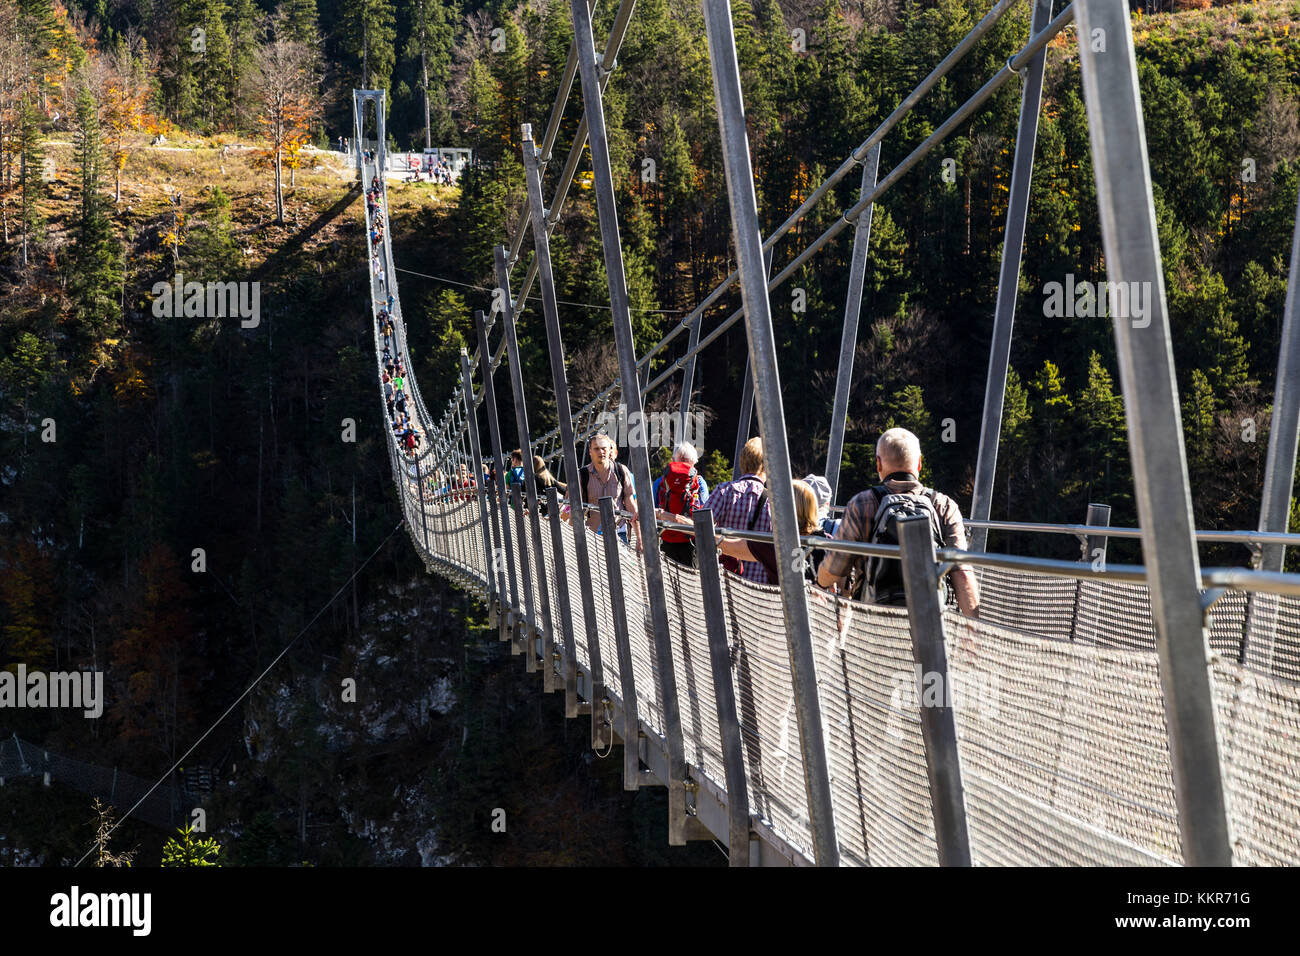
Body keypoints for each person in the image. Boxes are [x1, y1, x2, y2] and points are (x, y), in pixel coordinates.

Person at [816, 427, 980, 617]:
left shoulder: (861, 504)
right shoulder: (944, 506)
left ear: (878, 464)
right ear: (919, 463)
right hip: (931, 620)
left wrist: (819, 583)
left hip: (874, 618)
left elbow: (835, 567)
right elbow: (961, 571)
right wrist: (972, 631)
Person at [719, 480, 826, 584]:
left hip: (785, 601)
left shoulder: (774, 544)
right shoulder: (824, 541)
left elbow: (728, 546)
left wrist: (705, 533)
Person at [706, 437, 771, 583]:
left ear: (742, 462)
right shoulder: (773, 503)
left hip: (723, 578)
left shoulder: (724, 491)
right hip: (757, 585)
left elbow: (702, 528)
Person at [566, 433, 639, 550]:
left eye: (604, 448)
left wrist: (640, 538)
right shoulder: (581, 475)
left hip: (619, 533)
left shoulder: (621, 471)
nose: (601, 452)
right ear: (590, 451)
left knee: (620, 568)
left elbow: (630, 501)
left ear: (610, 449)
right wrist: (571, 539)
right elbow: (574, 509)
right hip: (591, 536)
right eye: (596, 449)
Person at [653, 442, 709, 567]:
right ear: (694, 462)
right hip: (691, 539)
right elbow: (704, 511)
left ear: (673, 460)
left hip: (665, 537)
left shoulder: (660, 482)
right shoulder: (699, 482)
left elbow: (653, 509)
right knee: (692, 581)